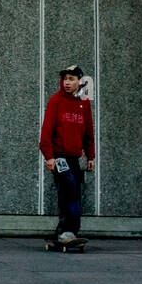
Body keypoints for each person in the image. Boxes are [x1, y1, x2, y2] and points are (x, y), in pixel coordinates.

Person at [39, 64, 95, 251]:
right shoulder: (56, 101)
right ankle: (65, 232)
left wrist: (90, 156)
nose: (67, 83)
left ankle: (68, 232)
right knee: (68, 187)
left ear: (80, 81)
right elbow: (46, 131)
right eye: (65, 79)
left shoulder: (84, 103)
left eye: (71, 79)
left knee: (75, 193)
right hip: (59, 156)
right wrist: (49, 156)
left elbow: (88, 132)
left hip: (73, 157)